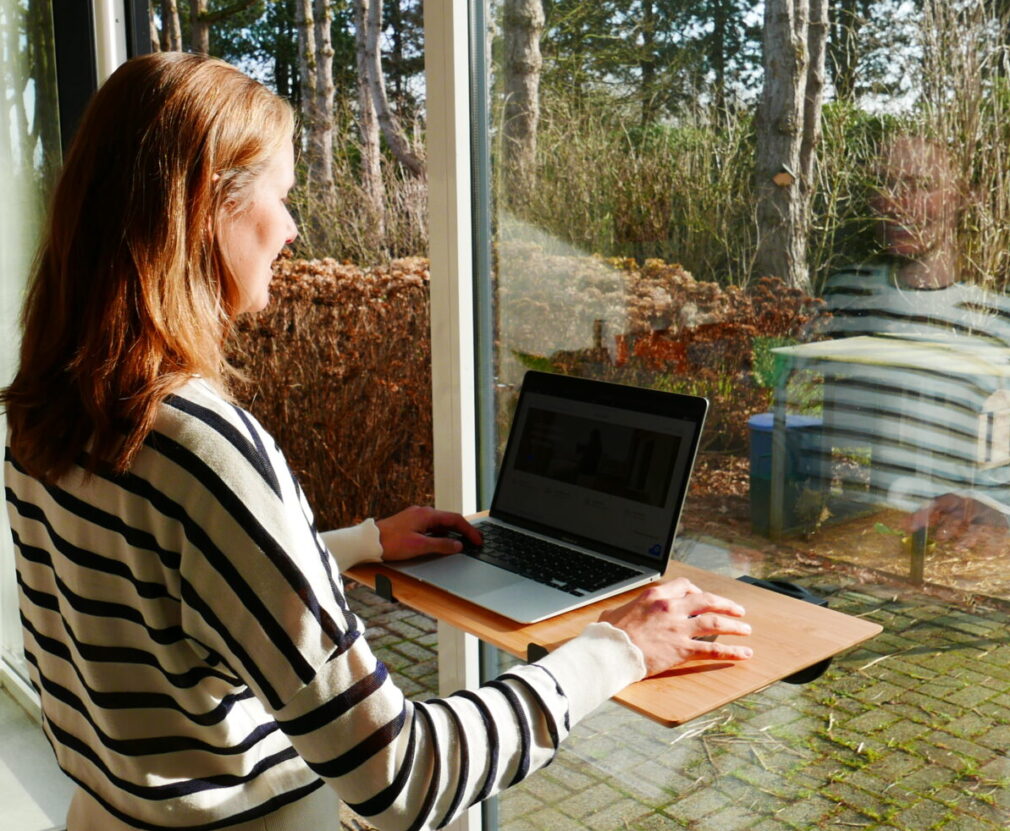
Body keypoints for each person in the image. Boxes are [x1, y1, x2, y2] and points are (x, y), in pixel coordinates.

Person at [1, 53, 753, 831]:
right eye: (283, 198)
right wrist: (617, 649)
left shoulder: (51, 410)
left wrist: (357, 541)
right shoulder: (200, 447)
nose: (292, 230)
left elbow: (162, 592)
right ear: (203, 206)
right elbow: (401, 777)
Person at [814, 135, 1010, 546]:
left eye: (920, 184)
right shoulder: (846, 296)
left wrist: (993, 513)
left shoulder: (998, 315)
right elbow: (809, 425)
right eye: (884, 184)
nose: (896, 201)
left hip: (962, 549)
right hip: (857, 539)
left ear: (964, 196)